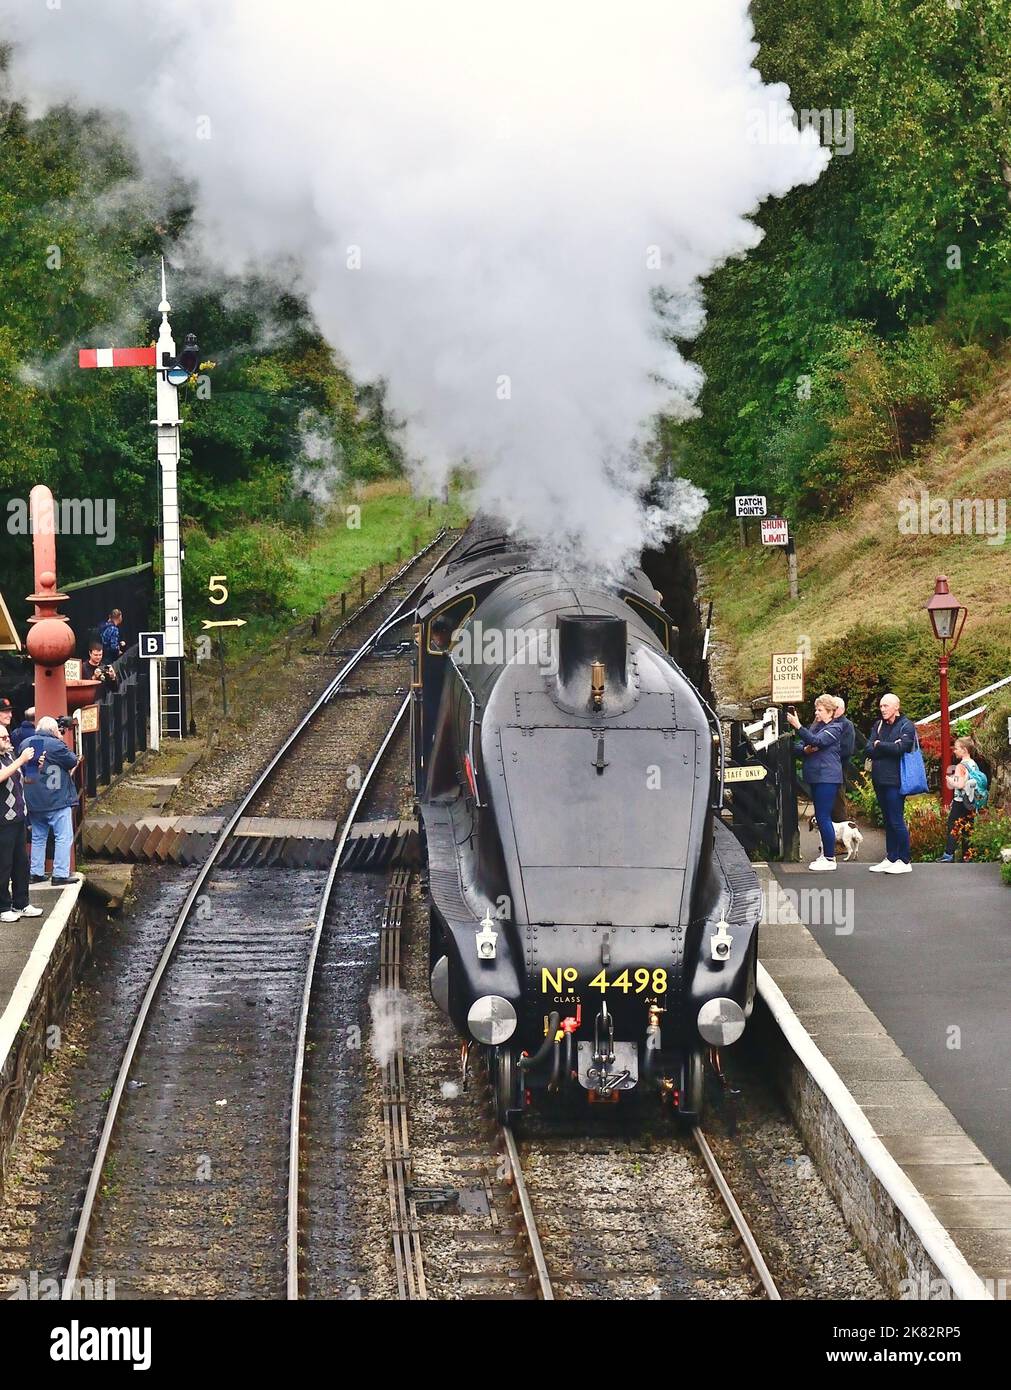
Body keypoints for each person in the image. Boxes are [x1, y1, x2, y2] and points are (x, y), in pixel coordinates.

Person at [786, 694, 845, 872]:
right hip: (817, 776)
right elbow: (801, 746)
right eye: (816, 709)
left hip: (827, 777)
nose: (816, 713)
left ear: (830, 712)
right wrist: (805, 749)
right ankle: (825, 854)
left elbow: (816, 741)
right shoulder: (817, 726)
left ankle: (829, 857)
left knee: (823, 817)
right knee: (821, 816)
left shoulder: (835, 728)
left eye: (820, 710)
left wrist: (798, 726)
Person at [21, 715, 81, 887]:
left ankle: (36, 873)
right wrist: (61, 739)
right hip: (56, 800)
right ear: (54, 731)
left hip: (34, 801)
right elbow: (72, 760)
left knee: (39, 837)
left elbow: (30, 772)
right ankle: (60, 874)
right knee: (63, 836)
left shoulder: (26, 744)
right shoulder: (56, 745)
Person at [865, 692, 916, 874]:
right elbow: (868, 748)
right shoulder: (878, 725)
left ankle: (905, 859)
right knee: (887, 820)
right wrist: (883, 745)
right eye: (881, 706)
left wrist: (880, 745)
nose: (882, 709)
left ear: (896, 706)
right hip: (879, 778)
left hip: (896, 780)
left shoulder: (906, 725)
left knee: (896, 820)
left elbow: (901, 748)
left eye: (886, 706)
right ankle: (891, 856)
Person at [0, 725, 43, 923]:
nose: (7, 740)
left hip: (17, 816)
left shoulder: (9, 756)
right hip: (3, 820)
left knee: (21, 863)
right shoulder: (11, 759)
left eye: (7, 736)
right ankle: (2, 906)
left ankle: (21, 902)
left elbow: (23, 779)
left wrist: (34, 765)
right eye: (2, 737)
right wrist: (21, 760)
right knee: (4, 864)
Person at [940, 736, 985, 862]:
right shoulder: (973, 764)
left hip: (960, 801)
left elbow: (959, 785)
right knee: (968, 827)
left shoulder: (961, 766)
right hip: (971, 801)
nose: (954, 751)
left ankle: (949, 855)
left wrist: (950, 780)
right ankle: (968, 856)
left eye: (957, 748)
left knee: (953, 826)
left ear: (964, 750)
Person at [831, 696, 859, 820]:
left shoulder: (847, 725)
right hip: (826, 770)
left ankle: (842, 832)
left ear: (840, 709)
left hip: (839, 768)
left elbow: (847, 749)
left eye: (833, 707)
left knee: (838, 802)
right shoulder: (827, 723)